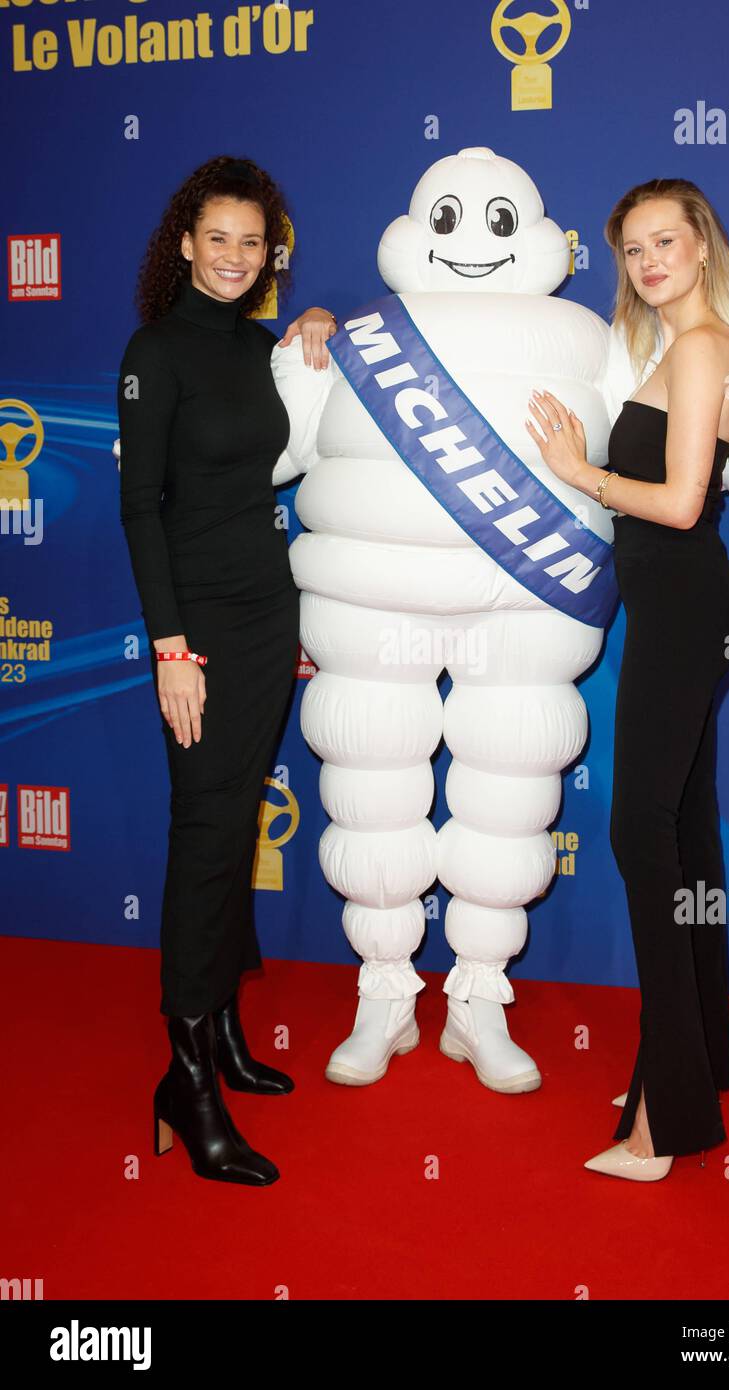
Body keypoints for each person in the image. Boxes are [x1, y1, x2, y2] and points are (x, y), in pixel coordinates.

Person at [525, 177, 729, 1182]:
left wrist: (577, 470)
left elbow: (673, 505)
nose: (648, 262)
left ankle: (660, 1120)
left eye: (664, 242)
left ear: (701, 244)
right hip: (685, 608)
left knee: (640, 832)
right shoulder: (700, 346)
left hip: (680, 608)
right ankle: (698, 1061)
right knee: (679, 834)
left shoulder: (706, 346)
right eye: (631, 249)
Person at [117, 155, 300, 1186]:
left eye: (252, 241)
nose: (234, 257)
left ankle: (223, 1031)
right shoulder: (155, 352)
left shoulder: (259, 344)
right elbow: (142, 507)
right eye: (217, 237)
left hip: (269, 614)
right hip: (200, 631)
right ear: (184, 242)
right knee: (204, 832)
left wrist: (311, 331)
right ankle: (184, 1080)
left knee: (233, 826)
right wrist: (172, 649)